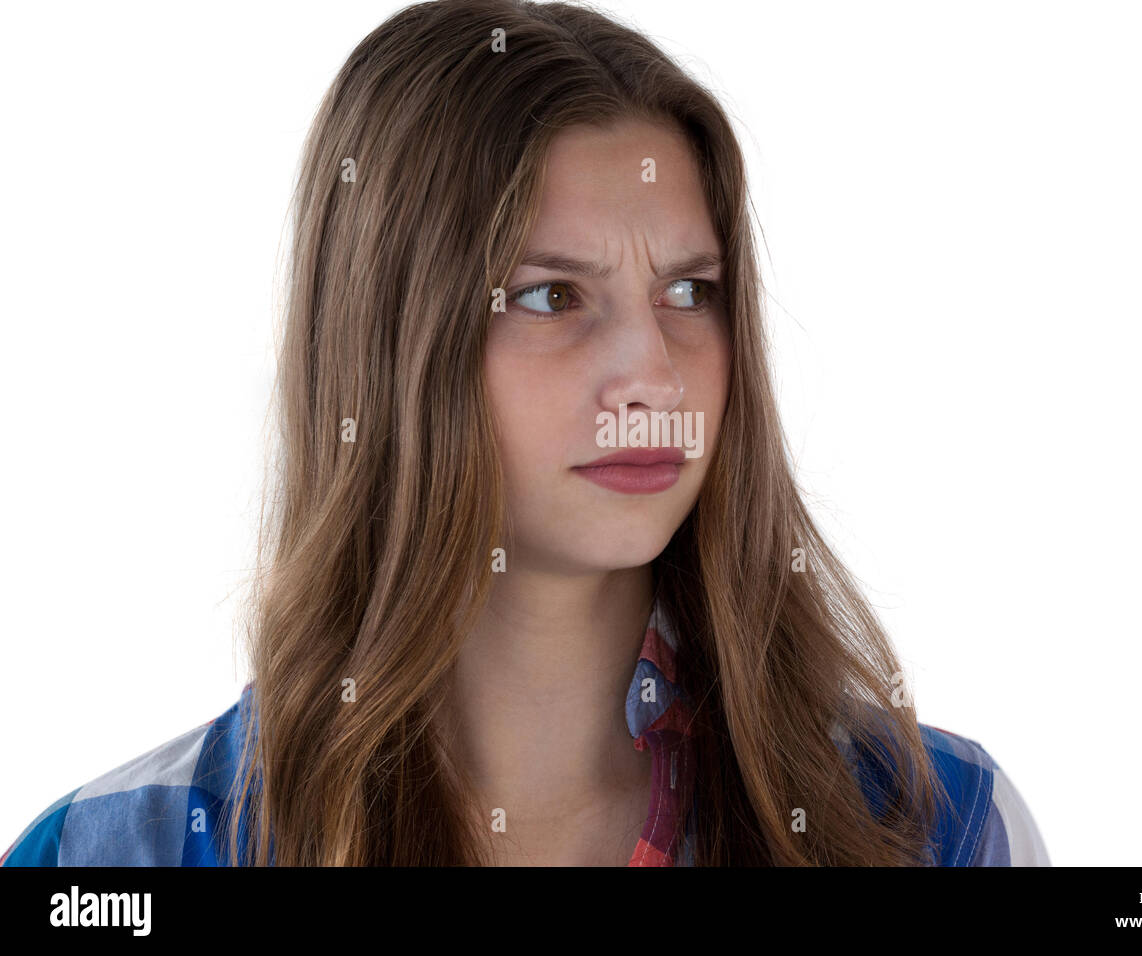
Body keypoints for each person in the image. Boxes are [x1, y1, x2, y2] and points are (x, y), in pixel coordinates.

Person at [3, 0, 1049, 867]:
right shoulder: (100, 863)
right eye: (552, 297)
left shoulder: (932, 827)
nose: (653, 374)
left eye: (690, 288)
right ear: (388, 340)